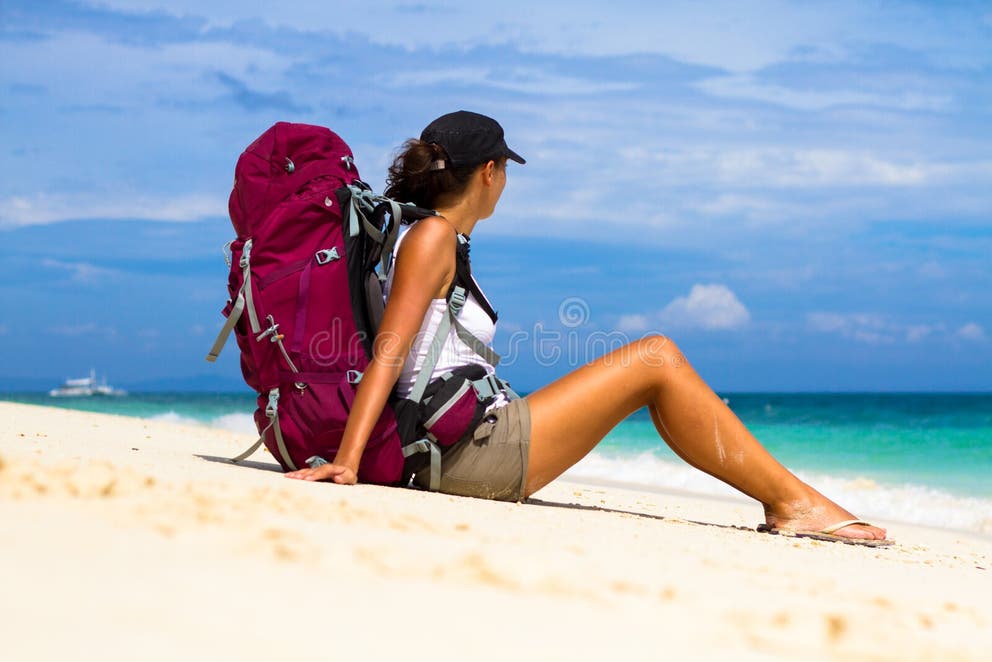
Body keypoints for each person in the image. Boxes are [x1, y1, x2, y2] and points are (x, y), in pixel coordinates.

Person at [286, 110, 889, 545]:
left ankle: (791, 500)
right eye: (505, 171)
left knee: (654, 367)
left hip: (465, 440)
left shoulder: (433, 236)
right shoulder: (433, 237)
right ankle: (793, 502)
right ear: (490, 172)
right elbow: (389, 352)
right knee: (656, 359)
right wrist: (349, 460)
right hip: (472, 453)